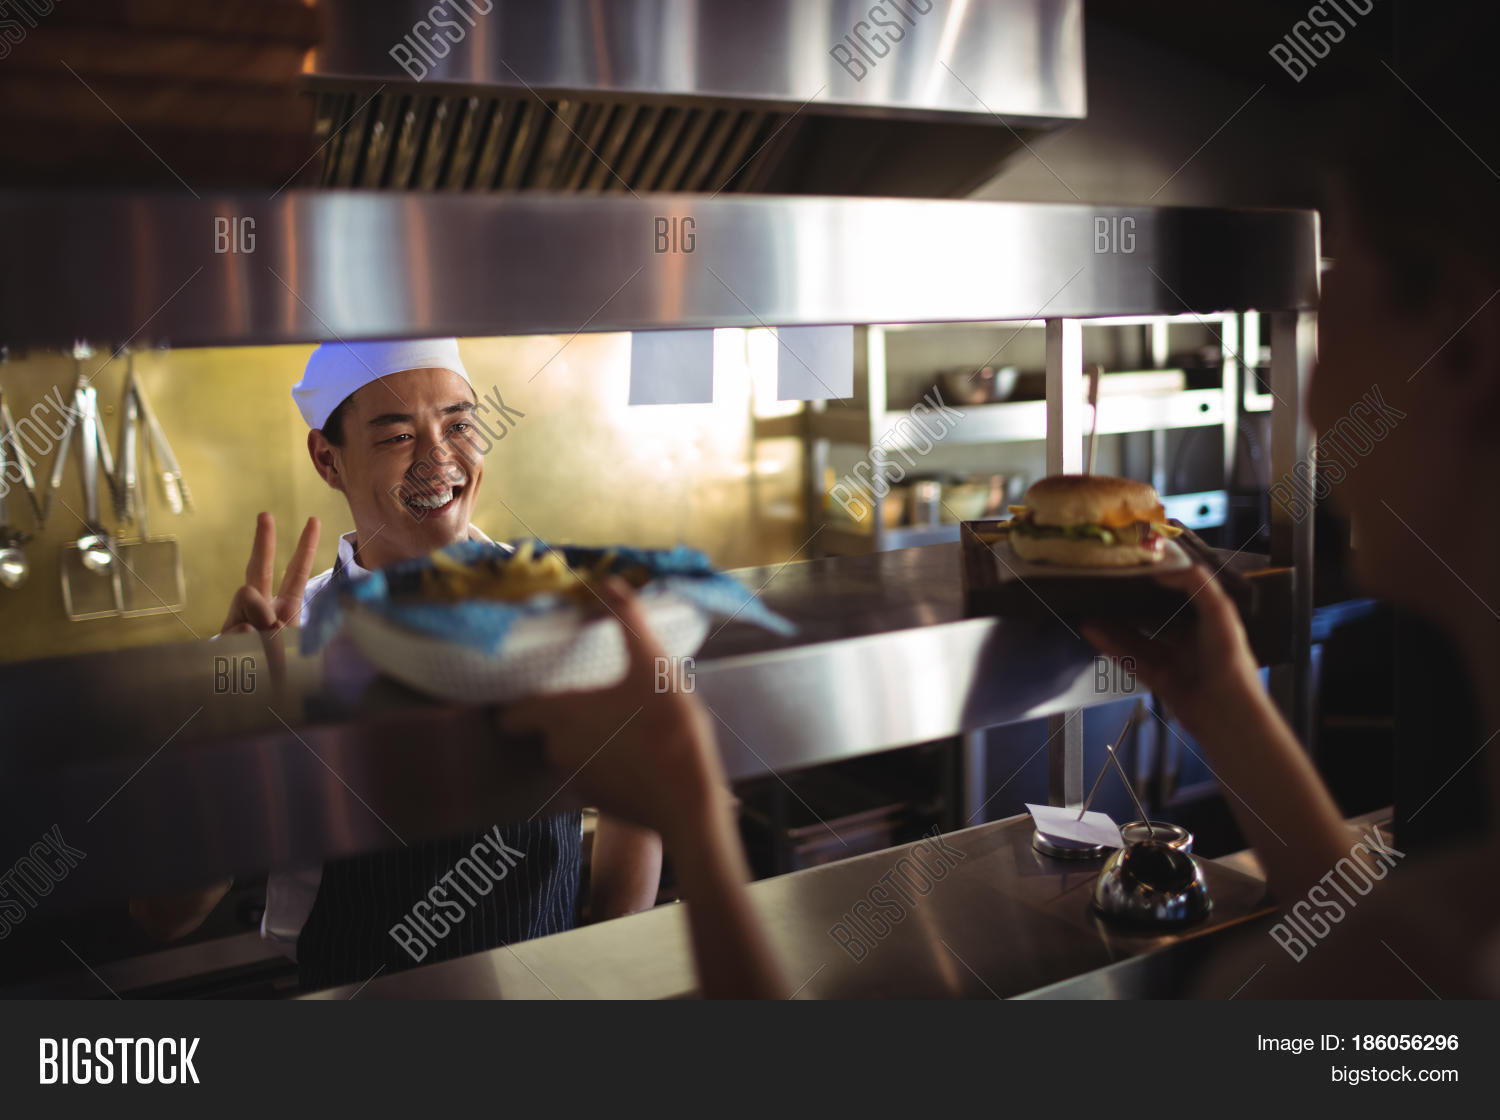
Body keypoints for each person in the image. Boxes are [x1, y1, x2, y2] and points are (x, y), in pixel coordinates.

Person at [134, 339, 662, 991]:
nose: (438, 459)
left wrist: (607, 953)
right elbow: (165, 916)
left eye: (460, 424)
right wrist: (241, 734)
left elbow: (639, 799)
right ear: (327, 459)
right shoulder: (267, 653)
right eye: (397, 436)